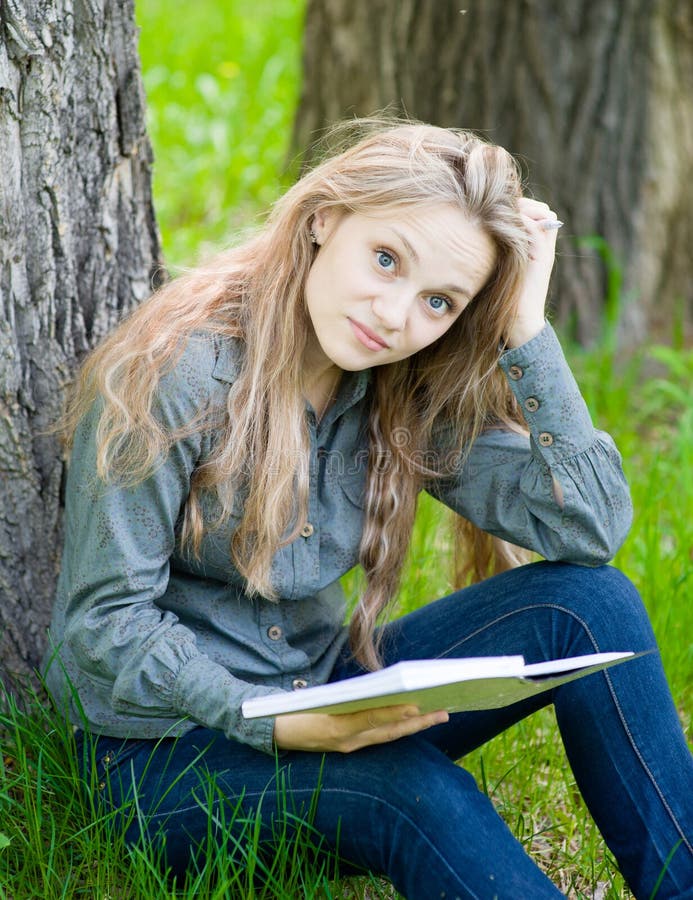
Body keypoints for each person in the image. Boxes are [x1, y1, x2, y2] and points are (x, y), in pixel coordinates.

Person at [43, 119, 693, 899]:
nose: (394, 315)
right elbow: (102, 622)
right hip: (167, 756)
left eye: (438, 301)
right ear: (325, 220)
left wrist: (524, 324)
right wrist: (271, 720)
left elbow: (587, 528)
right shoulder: (179, 375)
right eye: (385, 260)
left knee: (592, 602)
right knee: (414, 792)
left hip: (323, 686)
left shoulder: (401, 384)